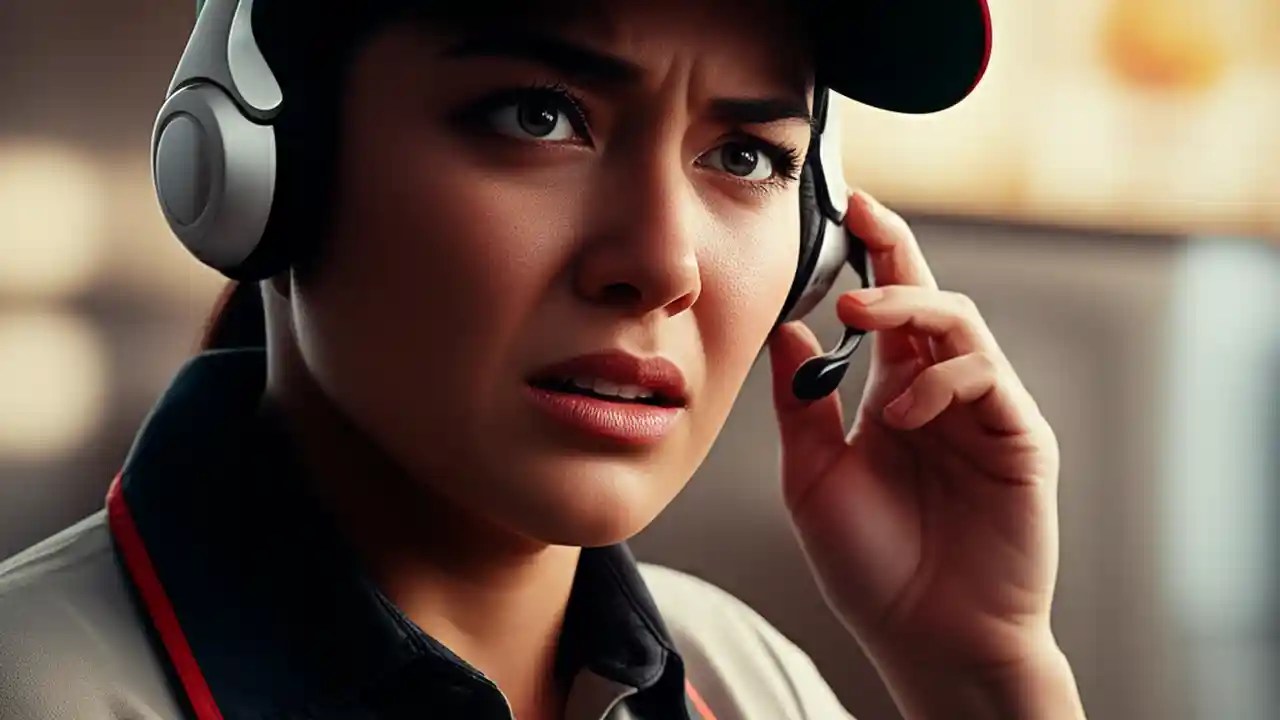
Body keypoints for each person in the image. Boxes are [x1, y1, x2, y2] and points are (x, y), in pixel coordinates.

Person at [0, 1, 1088, 718]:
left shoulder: (748, 686)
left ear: (817, 246)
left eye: (745, 155)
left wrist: (982, 677)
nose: (662, 264)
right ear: (263, 163)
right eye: (538, 115)